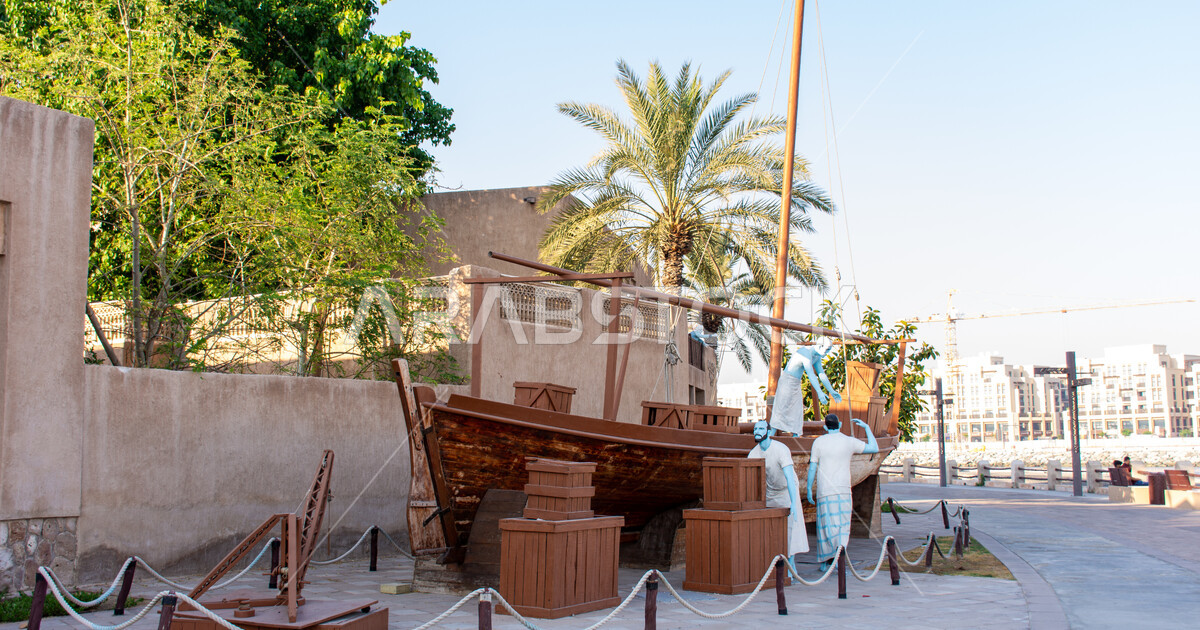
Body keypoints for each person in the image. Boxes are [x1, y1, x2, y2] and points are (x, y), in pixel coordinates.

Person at [807, 413, 878, 566]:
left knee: (826, 527)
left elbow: (812, 467)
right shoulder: (849, 441)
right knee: (842, 526)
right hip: (843, 489)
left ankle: (827, 561)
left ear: (825, 426)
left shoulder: (818, 442)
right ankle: (839, 558)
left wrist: (808, 488)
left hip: (825, 491)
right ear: (839, 425)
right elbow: (874, 448)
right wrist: (866, 428)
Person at [747, 420, 808, 570]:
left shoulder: (781, 449)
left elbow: (789, 476)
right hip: (770, 492)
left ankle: (791, 564)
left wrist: (793, 503)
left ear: (768, 432)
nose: (757, 431)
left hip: (786, 490)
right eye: (755, 429)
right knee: (770, 528)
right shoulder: (753, 454)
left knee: (791, 527)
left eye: (761, 428)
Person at [789, 337, 842, 405]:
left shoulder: (817, 357)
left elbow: (821, 374)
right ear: (820, 346)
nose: (827, 353)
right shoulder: (806, 353)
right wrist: (819, 392)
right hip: (788, 382)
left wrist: (831, 391)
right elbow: (810, 374)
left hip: (796, 383)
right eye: (826, 350)